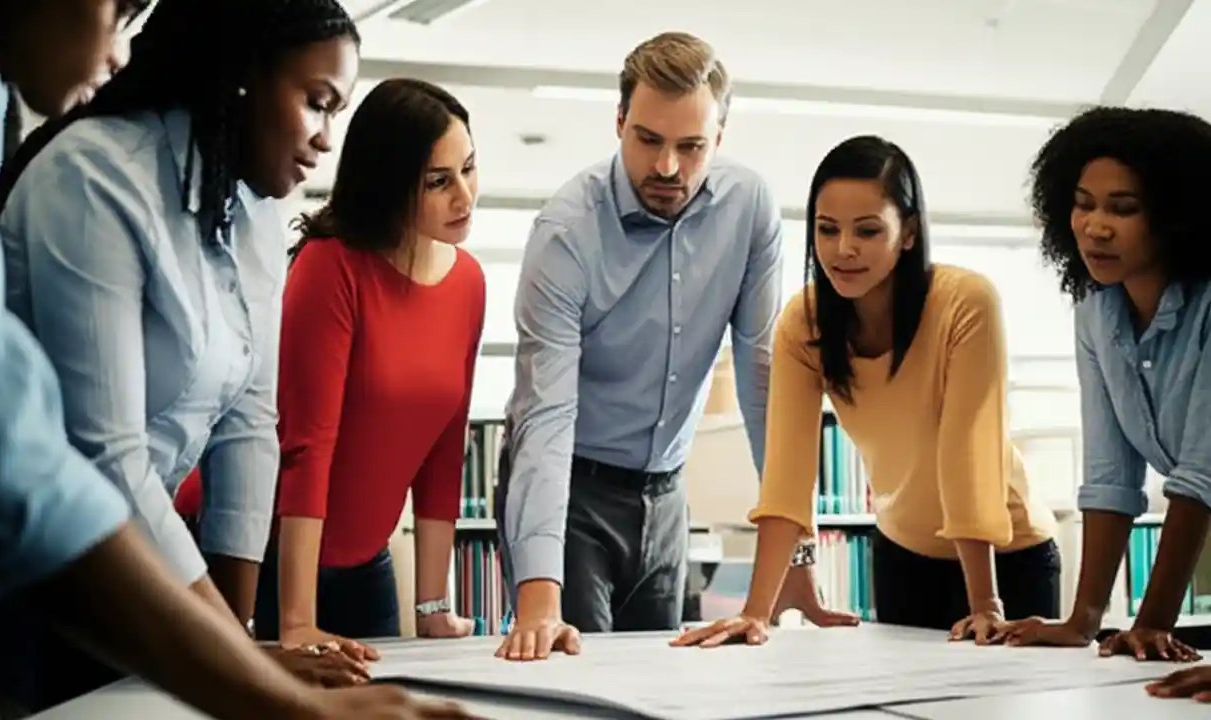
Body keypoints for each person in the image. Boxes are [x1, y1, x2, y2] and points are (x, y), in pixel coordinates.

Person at [0, 0, 463, 717]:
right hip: (45, 581)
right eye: (316, 103)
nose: (325, 140)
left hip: (106, 561)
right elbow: (101, 457)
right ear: (246, 75)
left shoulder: (251, 213)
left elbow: (251, 426)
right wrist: (255, 683)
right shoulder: (87, 170)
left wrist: (243, 639)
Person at [496, 30, 855, 663]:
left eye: (690, 147)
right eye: (648, 140)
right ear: (618, 121)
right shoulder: (565, 234)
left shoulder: (749, 208)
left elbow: (765, 388)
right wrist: (539, 596)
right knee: (578, 678)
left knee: (663, 676)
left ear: (720, 136)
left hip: (666, 495)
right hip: (573, 489)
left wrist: (797, 555)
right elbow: (545, 416)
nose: (667, 168)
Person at [674, 135, 1062, 649]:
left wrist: (986, 603)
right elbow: (786, 475)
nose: (844, 250)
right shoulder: (803, 324)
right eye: (827, 230)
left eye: (868, 230)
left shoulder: (965, 303)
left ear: (908, 234)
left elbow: (966, 452)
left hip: (1005, 559)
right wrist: (756, 611)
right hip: (902, 554)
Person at [258, 78, 484, 645]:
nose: (464, 195)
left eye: (469, 169)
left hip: (366, 566)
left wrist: (433, 607)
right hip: (269, 559)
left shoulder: (469, 283)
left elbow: (443, 451)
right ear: (390, 185)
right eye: (438, 182)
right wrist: (296, 621)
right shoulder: (330, 267)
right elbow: (308, 446)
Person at [1003, 107, 1211, 681]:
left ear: (1177, 218)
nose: (1094, 225)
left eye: (1123, 209)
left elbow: (1201, 473)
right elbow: (1110, 475)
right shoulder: (1096, 311)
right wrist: (1082, 621)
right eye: (1082, 202)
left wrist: (1153, 623)